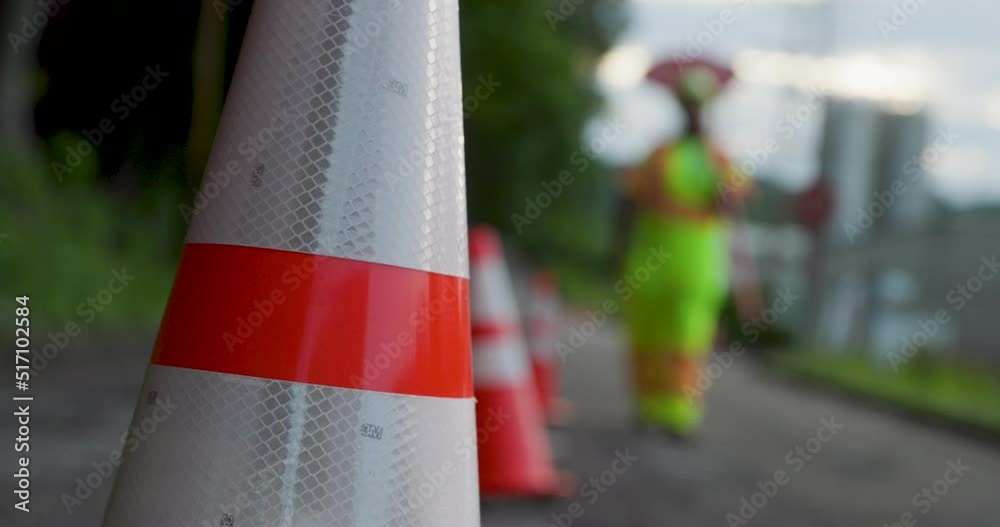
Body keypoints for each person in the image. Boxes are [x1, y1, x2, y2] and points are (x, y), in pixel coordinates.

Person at [620, 62, 755, 437]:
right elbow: (629, 201)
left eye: (698, 105)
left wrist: (726, 197)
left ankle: (679, 413)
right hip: (649, 267)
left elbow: (738, 200)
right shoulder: (660, 156)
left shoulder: (719, 160)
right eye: (688, 104)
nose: (693, 112)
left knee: (687, 340)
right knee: (648, 337)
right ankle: (649, 407)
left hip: (696, 269)